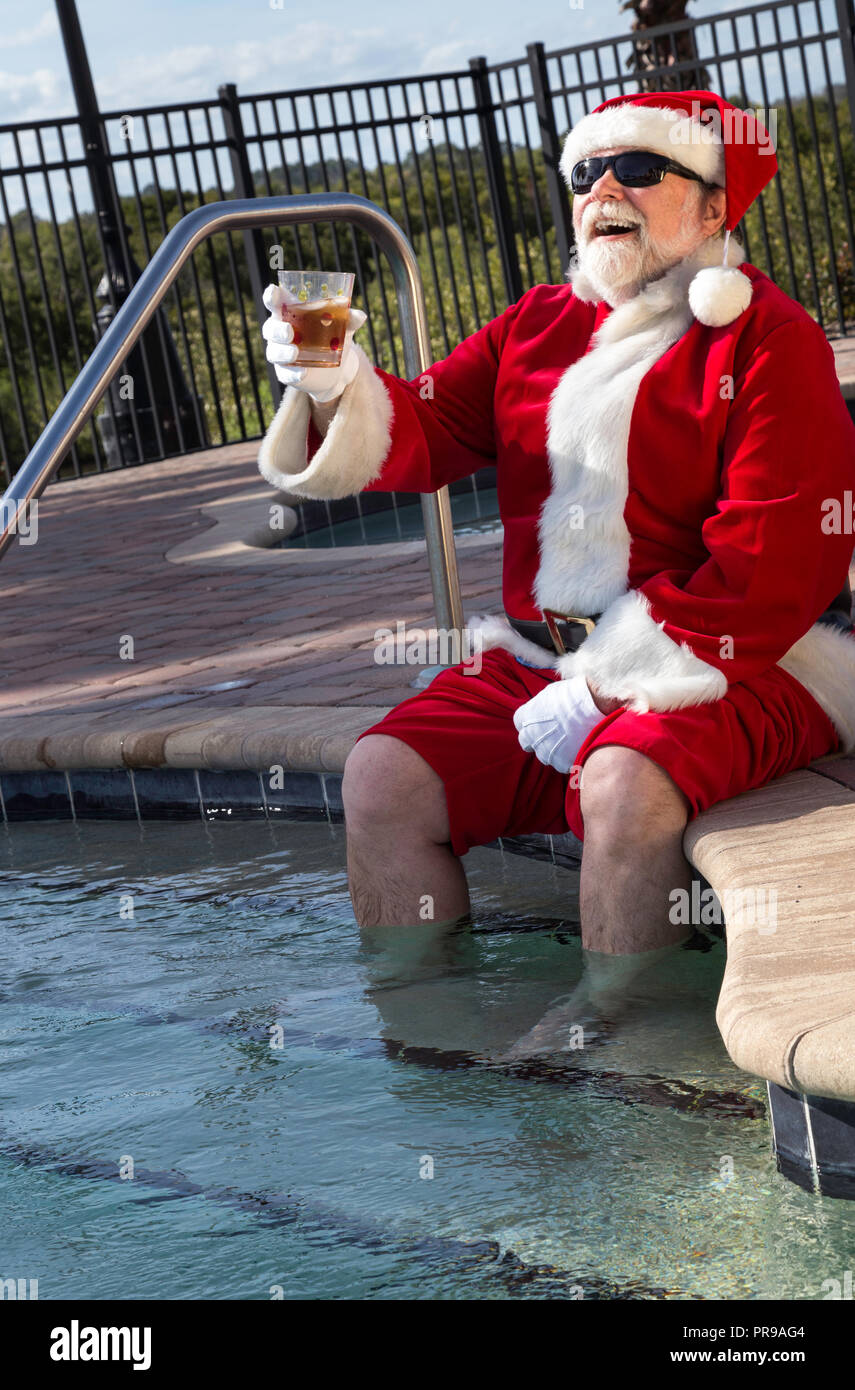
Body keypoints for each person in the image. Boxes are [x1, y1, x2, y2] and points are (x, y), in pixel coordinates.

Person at [257, 89, 855, 975]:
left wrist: (605, 691)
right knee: (382, 777)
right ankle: (430, 1042)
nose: (603, 190)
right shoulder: (533, 326)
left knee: (622, 782)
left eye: (640, 170)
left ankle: (625, 1062)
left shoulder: (771, 342)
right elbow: (419, 434)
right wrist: (333, 383)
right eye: (586, 172)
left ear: (714, 205)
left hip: (746, 662)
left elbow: (769, 574)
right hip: (541, 665)